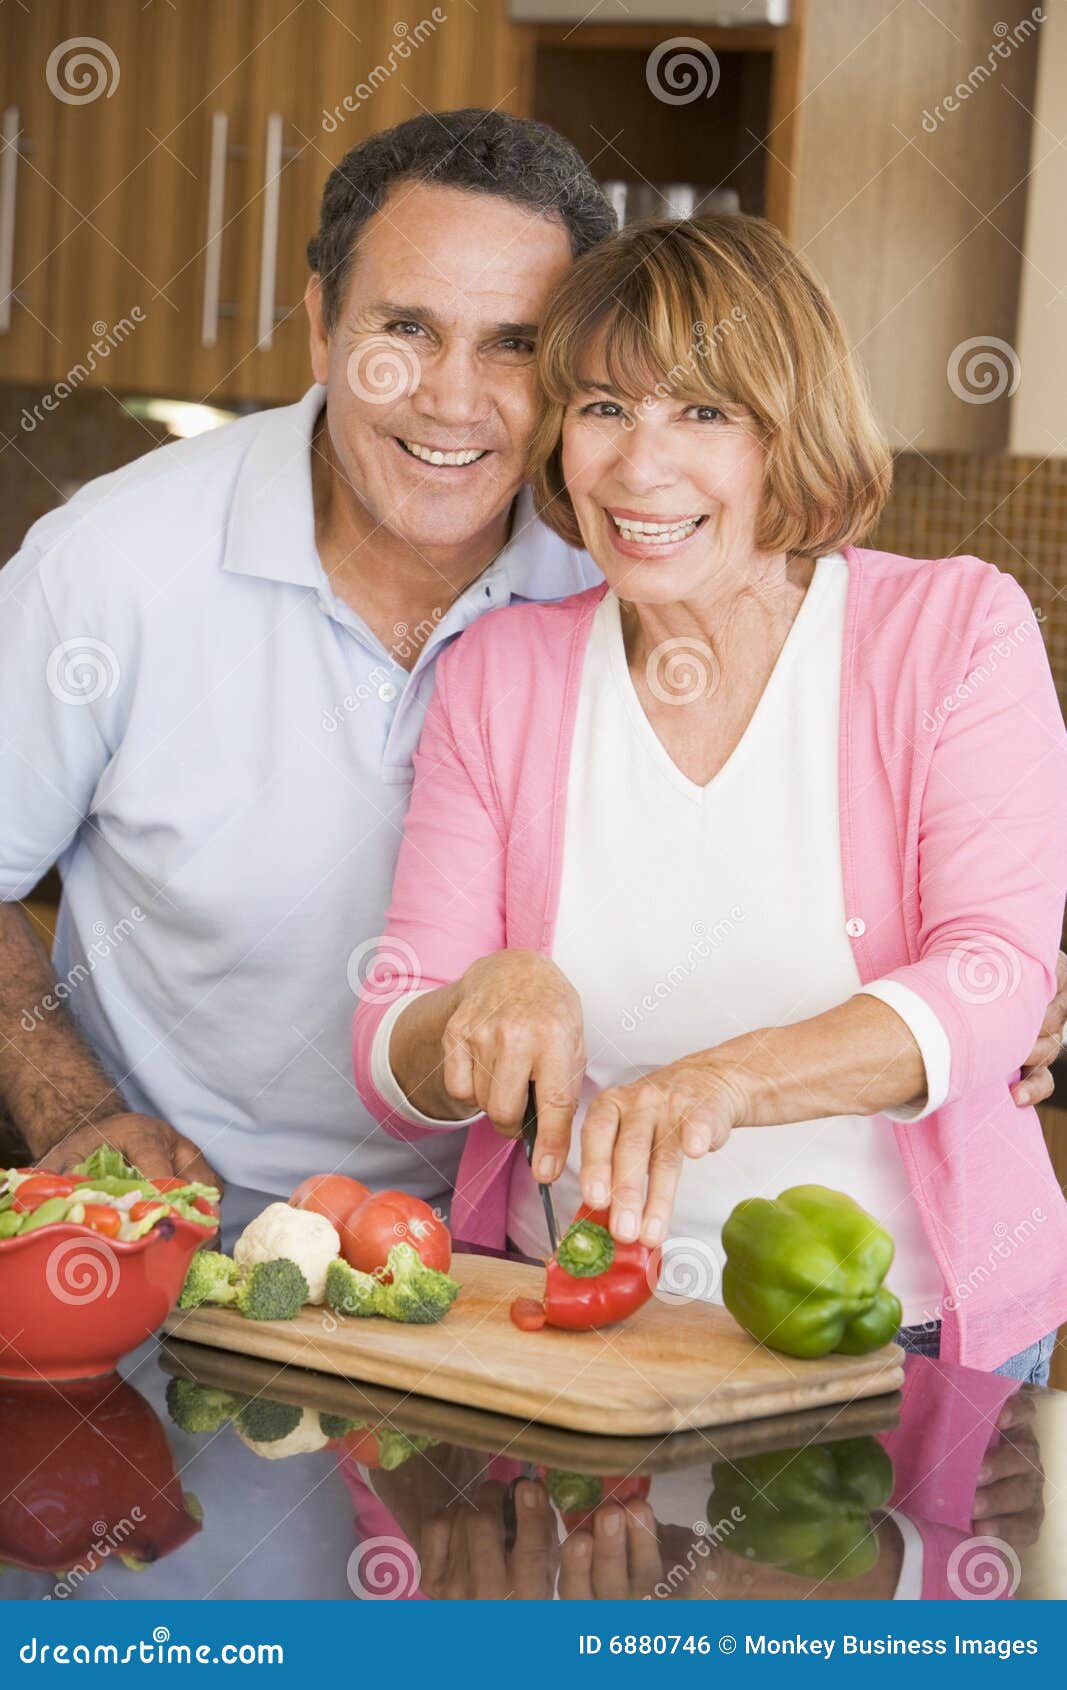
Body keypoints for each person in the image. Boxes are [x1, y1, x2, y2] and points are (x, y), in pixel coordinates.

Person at [355, 212, 1067, 1378]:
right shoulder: (502, 673)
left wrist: (718, 1080)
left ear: (788, 435)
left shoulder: (950, 632)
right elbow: (389, 1049)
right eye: (600, 407)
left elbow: (993, 978)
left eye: (701, 411)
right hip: (571, 1331)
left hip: (911, 1336)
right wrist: (481, 997)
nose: (639, 467)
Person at [0, 111, 609, 1203]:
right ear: (323, 326)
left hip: (495, 1269)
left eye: (514, 343)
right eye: (407, 330)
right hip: (175, 1245)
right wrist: (82, 1116)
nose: (453, 400)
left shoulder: (618, 580)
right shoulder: (113, 563)